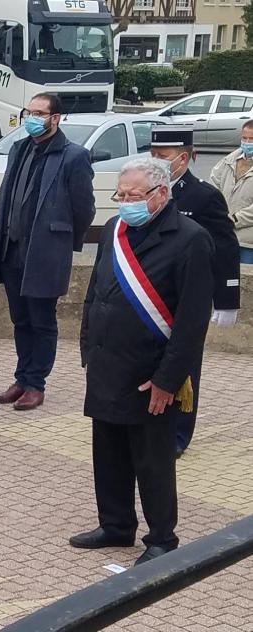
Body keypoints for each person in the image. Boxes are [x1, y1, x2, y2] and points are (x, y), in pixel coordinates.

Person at [72, 158, 214, 567]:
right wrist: (87, 343)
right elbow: (96, 288)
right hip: (106, 362)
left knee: (151, 458)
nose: (126, 204)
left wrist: (168, 379)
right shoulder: (116, 231)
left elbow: (191, 322)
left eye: (135, 197)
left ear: (161, 194)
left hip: (151, 372)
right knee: (109, 451)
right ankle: (116, 524)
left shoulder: (190, 239)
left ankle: (162, 537)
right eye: (121, 195)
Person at [0, 93, 96, 411]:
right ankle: (21, 378)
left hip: (45, 251)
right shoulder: (19, 149)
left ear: (55, 118)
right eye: (27, 112)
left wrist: (63, 241)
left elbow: (83, 208)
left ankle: (36, 383)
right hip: (12, 249)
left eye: (38, 113)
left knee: (41, 320)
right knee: (20, 320)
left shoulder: (73, 156)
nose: (31, 117)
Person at [150, 124, 241, 456]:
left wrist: (227, 300)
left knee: (184, 364)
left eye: (163, 156)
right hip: (153, 293)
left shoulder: (203, 196)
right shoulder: (148, 189)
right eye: (153, 155)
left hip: (189, 295)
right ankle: (152, 424)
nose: (157, 161)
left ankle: (178, 434)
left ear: (183, 157)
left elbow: (226, 248)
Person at [211, 120, 253, 264]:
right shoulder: (229, 161)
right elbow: (213, 186)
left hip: (248, 241)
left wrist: (235, 219)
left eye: (252, 139)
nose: (247, 142)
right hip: (225, 233)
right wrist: (217, 213)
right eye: (244, 138)